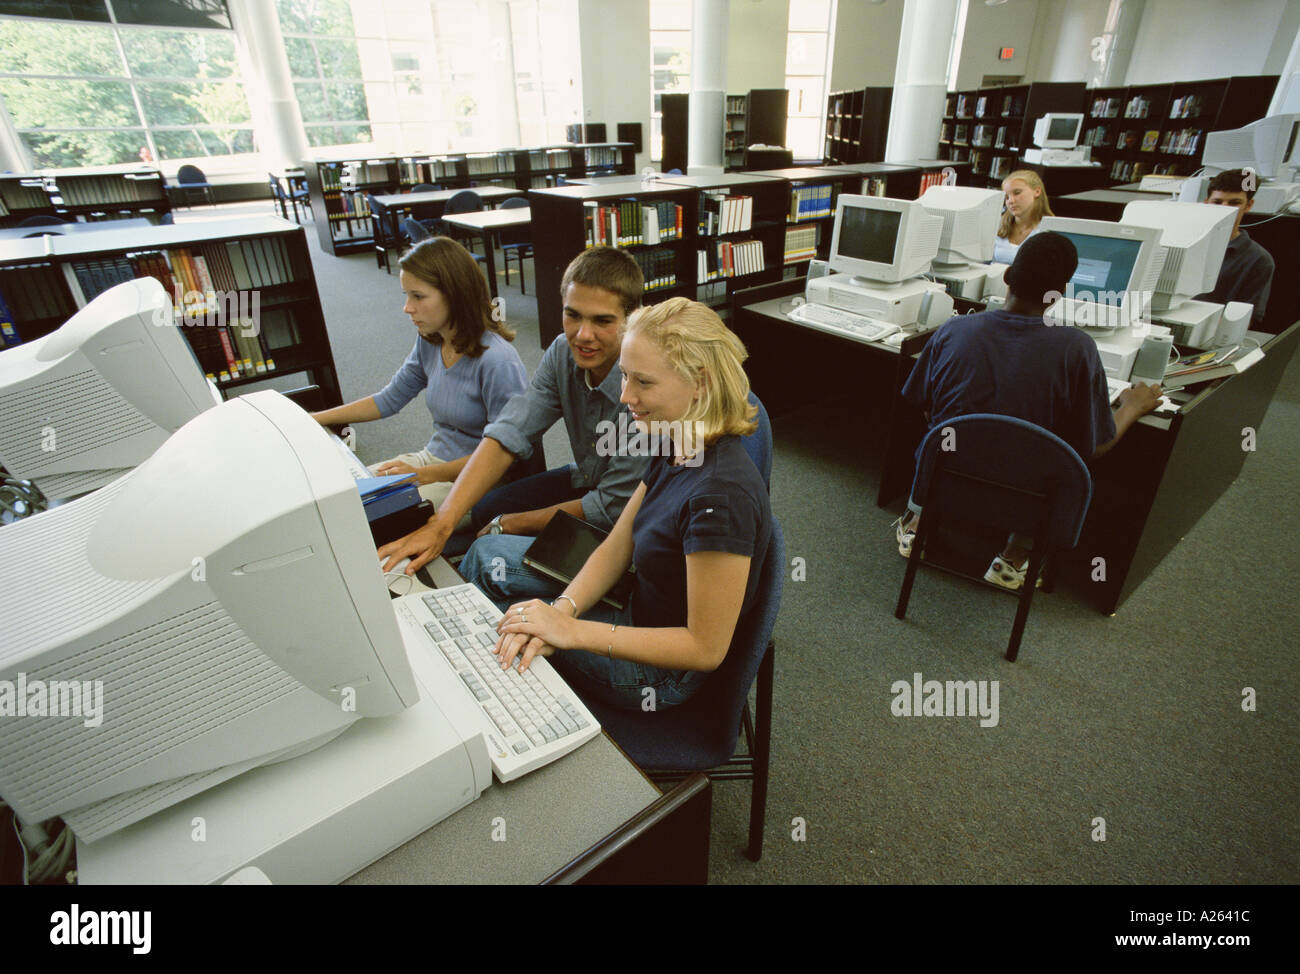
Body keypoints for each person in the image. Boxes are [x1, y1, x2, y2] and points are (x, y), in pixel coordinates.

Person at [487, 297, 773, 712]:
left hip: (660, 672)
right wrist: (564, 611)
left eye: (643, 382)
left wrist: (569, 632)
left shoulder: (720, 498)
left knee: (497, 622)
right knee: (495, 576)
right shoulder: (679, 440)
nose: (625, 396)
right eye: (624, 377)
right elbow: (616, 547)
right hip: (640, 608)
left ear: (702, 383)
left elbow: (704, 648)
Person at [897, 232, 1162, 589]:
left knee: (945, 431)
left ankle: (918, 524)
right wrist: (1132, 406)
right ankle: (1013, 556)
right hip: (1026, 501)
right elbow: (1093, 447)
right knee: (1050, 457)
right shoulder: (1078, 350)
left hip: (945, 482)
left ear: (1007, 277)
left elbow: (921, 405)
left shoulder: (953, 330)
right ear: (1061, 292)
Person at [378, 246, 647, 590]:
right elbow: (512, 429)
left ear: (632, 318)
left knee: (494, 550)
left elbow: (610, 508)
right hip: (590, 477)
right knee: (487, 507)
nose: (583, 335)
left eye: (603, 321)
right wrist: (441, 524)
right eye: (573, 315)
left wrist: (512, 524)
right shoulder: (562, 353)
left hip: (633, 514)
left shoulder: (644, 387)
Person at [311, 237, 527, 515]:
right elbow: (388, 400)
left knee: (366, 517)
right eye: (406, 295)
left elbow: (506, 457)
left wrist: (426, 475)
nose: (407, 307)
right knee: (339, 497)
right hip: (430, 461)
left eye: (418, 296)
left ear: (455, 294)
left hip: (477, 479)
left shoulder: (498, 361)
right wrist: (314, 419)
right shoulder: (430, 341)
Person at [1195, 167, 1275, 328]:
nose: (1225, 209)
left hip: (1211, 334)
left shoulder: (1259, 260)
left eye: (1234, 203)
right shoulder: (1186, 243)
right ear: (1206, 203)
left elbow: (1246, 319)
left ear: (1248, 205)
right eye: (1217, 202)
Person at [993, 169, 1052, 265]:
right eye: (1007, 197)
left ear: (1037, 191)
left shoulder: (1048, 231)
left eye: (1017, 193)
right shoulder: (997, 225)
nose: (1010, 201)